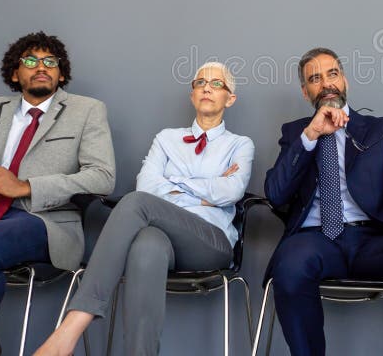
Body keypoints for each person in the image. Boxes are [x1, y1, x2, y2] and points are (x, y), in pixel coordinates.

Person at [35, 61, 253, 356]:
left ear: (230, 98)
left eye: (217, 84)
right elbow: (147, 186)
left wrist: (173, 183)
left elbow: (231, 192)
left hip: (210, 241)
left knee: (136, 203)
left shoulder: (240, 144)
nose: (206, 88)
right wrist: (205, 190)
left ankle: (72, 325)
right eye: (200, 83)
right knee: (146, 245)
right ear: (192, 94)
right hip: (164, 238)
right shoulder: (166, 138)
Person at [0, 31, 116, 356]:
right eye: (30, 61)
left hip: (46, 223)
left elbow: (102, 177)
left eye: (50, 62)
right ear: (15, 73)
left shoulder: (87, 110)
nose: (41, 67)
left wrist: (24, 186)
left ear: (61, 74)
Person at [264, 47, 383, 356]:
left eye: (332, 74)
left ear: (345, 82)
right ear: (305, 92)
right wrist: (311, 134)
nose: (326, 83)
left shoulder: (381, 129)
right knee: (289, 263)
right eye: (315, 78)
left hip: (374, 241)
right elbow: (275, 193)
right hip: (315, 242)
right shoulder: (297, 133)